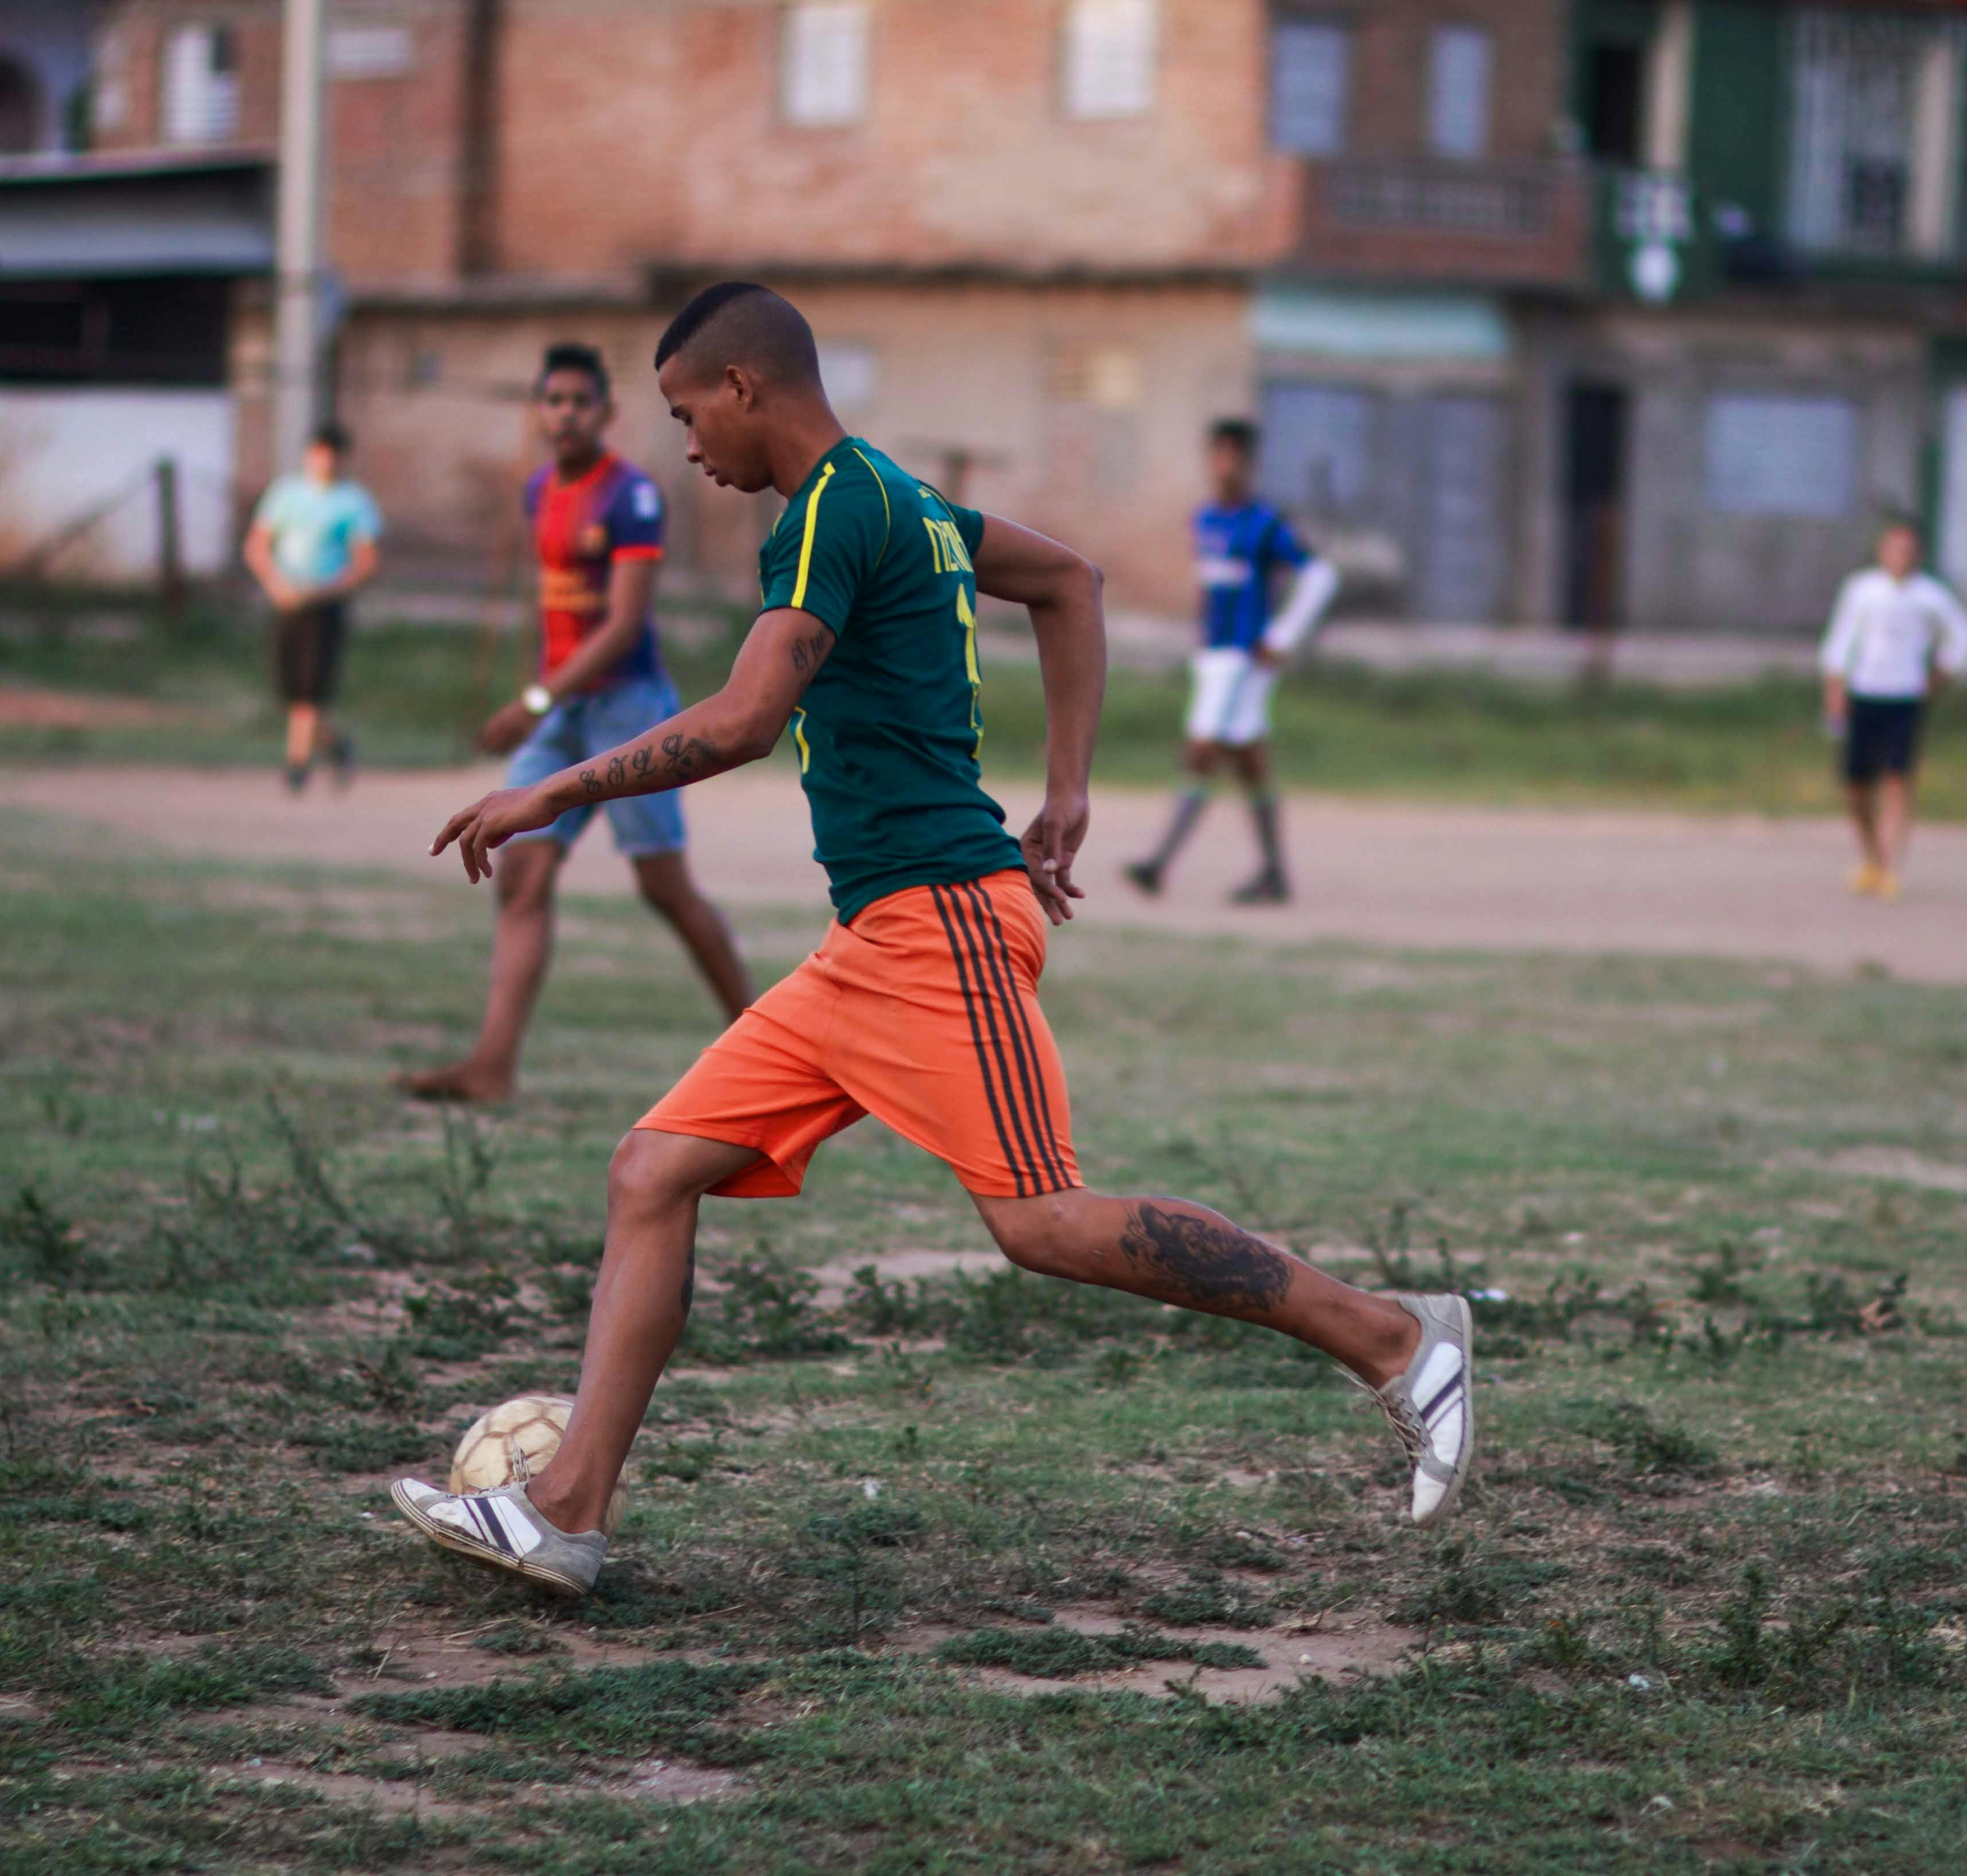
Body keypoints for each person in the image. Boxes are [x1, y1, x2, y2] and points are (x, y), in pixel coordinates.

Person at [389, 285, 1473, 1593]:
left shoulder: (832, 512)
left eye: (686, 414)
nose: (686, 449)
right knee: (651, 1170)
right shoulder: (903, 503)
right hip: (872, 941)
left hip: (941, 921)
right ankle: (563, 1511)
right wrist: (1065, 789)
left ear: (744, 388)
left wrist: (552, 789)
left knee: (1043, 1223)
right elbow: (1066, 581)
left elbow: (739, 720)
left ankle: (1396, 1339)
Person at [398, 343, 752, 1104]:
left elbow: (622, 626)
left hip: (627, 709)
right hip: (560, 709)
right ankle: (491, 1067)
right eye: (551, 401)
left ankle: (763, 1042)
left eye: (578, 402)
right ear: (539, 410)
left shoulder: (632, 497)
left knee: (664, 888)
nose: (564, 414)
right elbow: (555, 611)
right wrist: (543, 698)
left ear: (604, 412)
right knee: (521, 872)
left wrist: (530, 702)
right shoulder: (538, 490)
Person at [1122, 418, 1339, 905]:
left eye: (1234, 456)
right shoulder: (1204, 520)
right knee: (1248, 763)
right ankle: (1275, 875)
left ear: (1249, 463)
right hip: (1214, 658)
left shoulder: (1264, 523)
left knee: (1200, 752)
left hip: (1245, 660)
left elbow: (1321, 577)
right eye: (1217, 455)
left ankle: (1158, 863)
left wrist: (1282, 635)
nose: (1224, 466)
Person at [1819, 517, 1967, 900]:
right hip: (1864, 693)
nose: (1900, 557)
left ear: (1917, 556)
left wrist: (1940, 673)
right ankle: (1871, 858)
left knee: (1896, 781)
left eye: (1907, 551)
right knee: (1856, 786)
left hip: (1905, 697)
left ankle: (1891, 867)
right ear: (1881, 551)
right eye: (1894, 549)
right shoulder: (1861, 590)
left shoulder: (1929, 596)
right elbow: (1840, 639)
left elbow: (1964, 636)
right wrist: (1835, 685)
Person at [243, 423, 382, 792]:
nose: (326, 460)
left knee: (310, 690)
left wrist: (323, 591)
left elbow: (366, 563)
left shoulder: (353, 501)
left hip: (325, 607)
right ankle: (338, 746)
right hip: (287, 603)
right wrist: (276, 584)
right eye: (320, 452)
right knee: (291, 694)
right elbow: (257, 546)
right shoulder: (286, 494)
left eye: (333, 453)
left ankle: (296, 767)